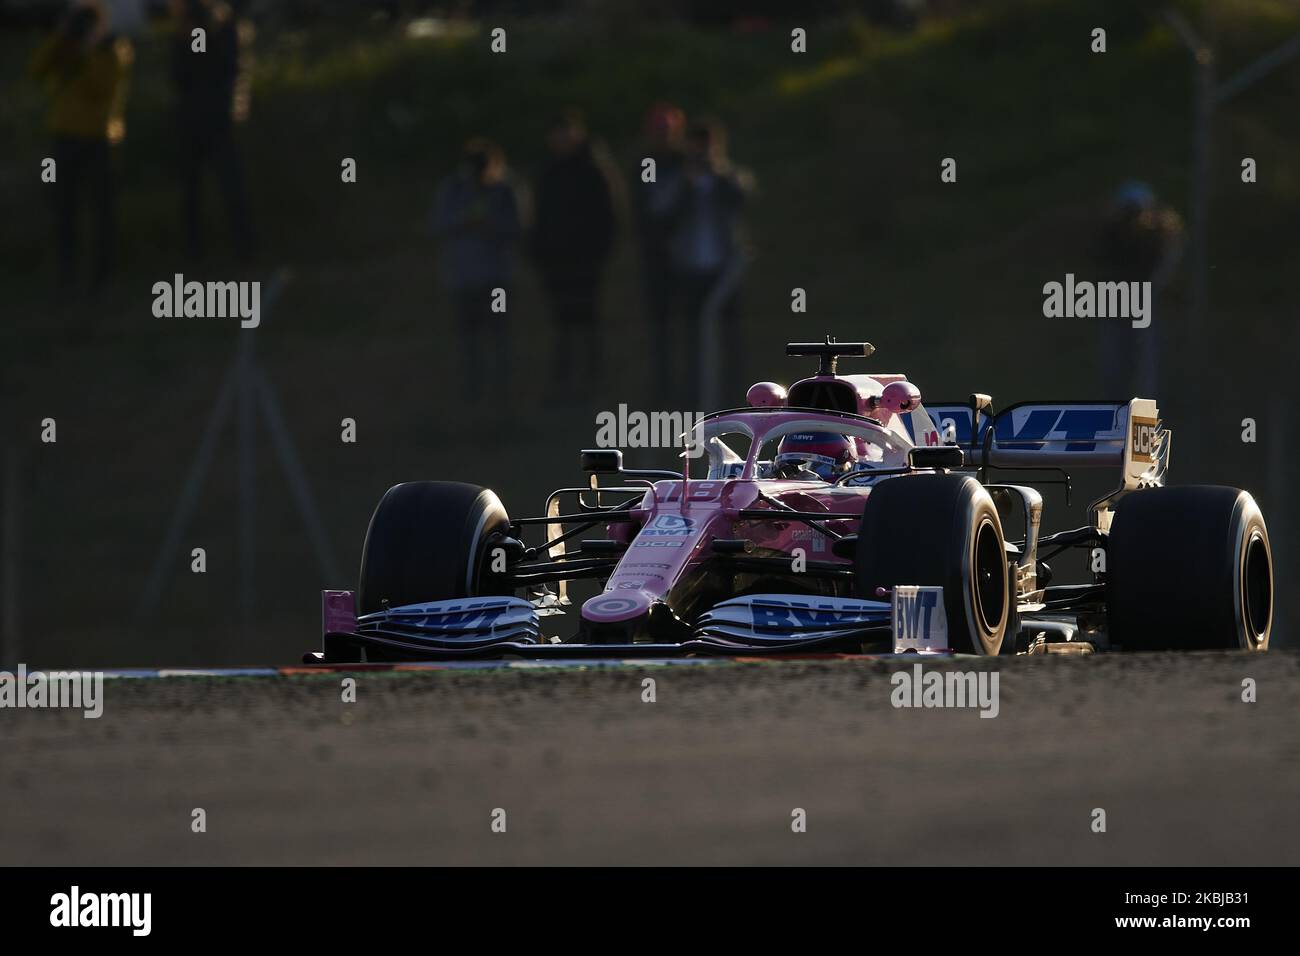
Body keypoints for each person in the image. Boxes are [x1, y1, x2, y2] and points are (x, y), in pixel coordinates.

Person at [29, 0, 134, 295]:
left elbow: (102, 89)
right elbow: (35, 70)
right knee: (63, 206)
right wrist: (59, 38)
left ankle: (103, 275)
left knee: (102, 209)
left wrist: (87, 52)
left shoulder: (113, 50)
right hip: (62, 138)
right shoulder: (64, 47)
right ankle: (65, 273)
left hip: (99, 139)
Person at [649, 118, 753, 404]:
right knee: (693, 338)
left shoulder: (727, 176)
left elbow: (743, 195)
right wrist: (687, 184)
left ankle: (735, 394)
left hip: (725, 270)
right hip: (690, 270)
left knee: (731, 337)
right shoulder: (677, 180)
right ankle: (695, 396)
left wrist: (717, 173)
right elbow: (660, 211)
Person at [531, 110, 619, 393]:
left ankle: (592, 382)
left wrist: (598, 254)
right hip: (556, 264)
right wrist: (540, 255)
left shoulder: (594, 169)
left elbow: (609, 216)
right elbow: (538, 218)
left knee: (588, 323)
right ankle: (565, 383)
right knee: (563, 326)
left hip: (587, 262)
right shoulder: (547, 171)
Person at [431, 138, 522, 399]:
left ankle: (502, 390)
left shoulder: (505, 189)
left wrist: (489, 224)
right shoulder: (451, 189)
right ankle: (472, 390)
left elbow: (517, 226)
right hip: (463, 279)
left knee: (499, 337)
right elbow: (438, 224)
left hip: (497, 278)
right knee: (469, 340)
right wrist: (464, 221)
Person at [172, 0, 257, 264]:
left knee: (228, 188)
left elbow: (225, 67)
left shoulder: (226, 29)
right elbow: (180, 74)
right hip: (199, 119)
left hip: (215, 119)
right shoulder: (195, 32)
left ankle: (242, 250)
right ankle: (196, 251)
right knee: (195, 192)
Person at [1094, 181, 1184, 400]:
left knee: (1145, 368)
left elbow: (1167, 261)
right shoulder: (1112, 234)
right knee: (1115, 366)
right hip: (1116, 305)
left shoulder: (1157, 235)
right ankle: (1114, 411)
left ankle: (1145, 414)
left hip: (1143, 305)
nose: (1133, 220)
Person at [634, 103, 686, 390]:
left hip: (687, 258)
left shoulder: (686, 163)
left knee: (688, 326)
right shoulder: (644, 164)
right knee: (659, 327)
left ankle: (690, 384)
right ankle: (661, 385)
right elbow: (640, 208)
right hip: (656, 257)